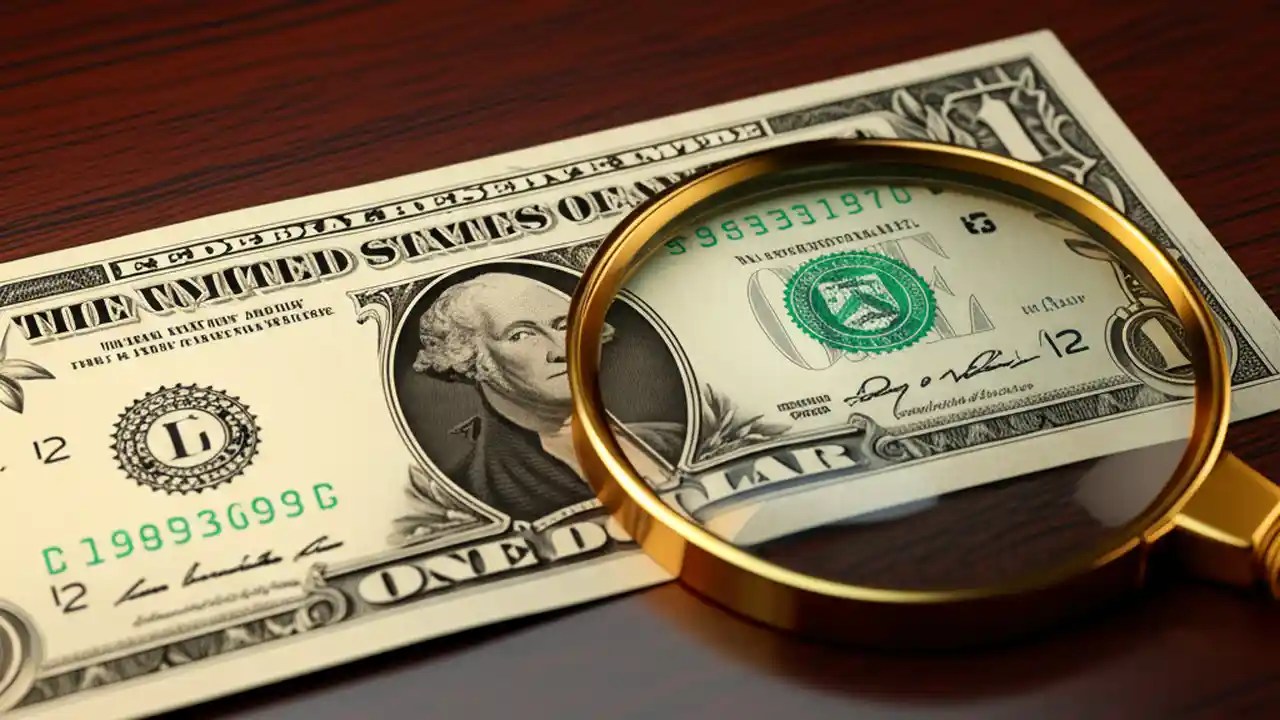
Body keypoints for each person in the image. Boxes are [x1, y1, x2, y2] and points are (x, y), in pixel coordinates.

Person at [409, 271, 686, 524]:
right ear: (468, 356)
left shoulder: (673, 440)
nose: (561, 350)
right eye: (520, 334)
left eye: (564, 325)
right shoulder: (473, 495)